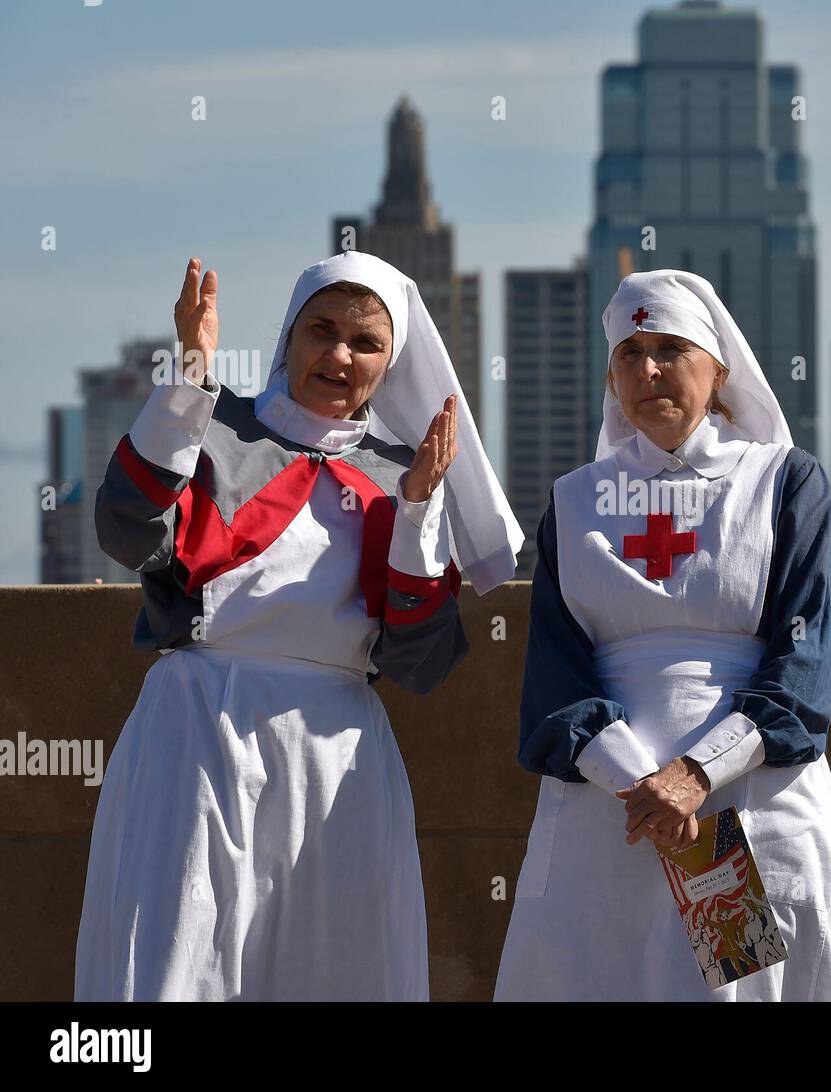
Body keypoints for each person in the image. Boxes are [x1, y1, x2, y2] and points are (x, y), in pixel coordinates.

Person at [74, 251, 522, 1001]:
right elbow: (125, 530)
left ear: (391, 362)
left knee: (333, 963)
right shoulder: (215, 429)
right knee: (178, 949)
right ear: (289, 337)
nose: (340, 355)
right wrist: (188, 380)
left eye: (366, 343)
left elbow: (419, 663)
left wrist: (417, 512)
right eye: (322, 330)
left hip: (335, 753)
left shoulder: (404, 475)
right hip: (199, 731)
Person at [494, 268, 831, 1001]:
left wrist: (694, 777)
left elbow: (804, 664)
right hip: (610, 812)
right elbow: (555, 678)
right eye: (629, 352)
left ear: (717, 370)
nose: (647, 369)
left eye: (669, 349)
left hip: (739, 806)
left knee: (733, 986)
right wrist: (641, 789)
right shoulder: (575, 501)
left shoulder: (785, 483)